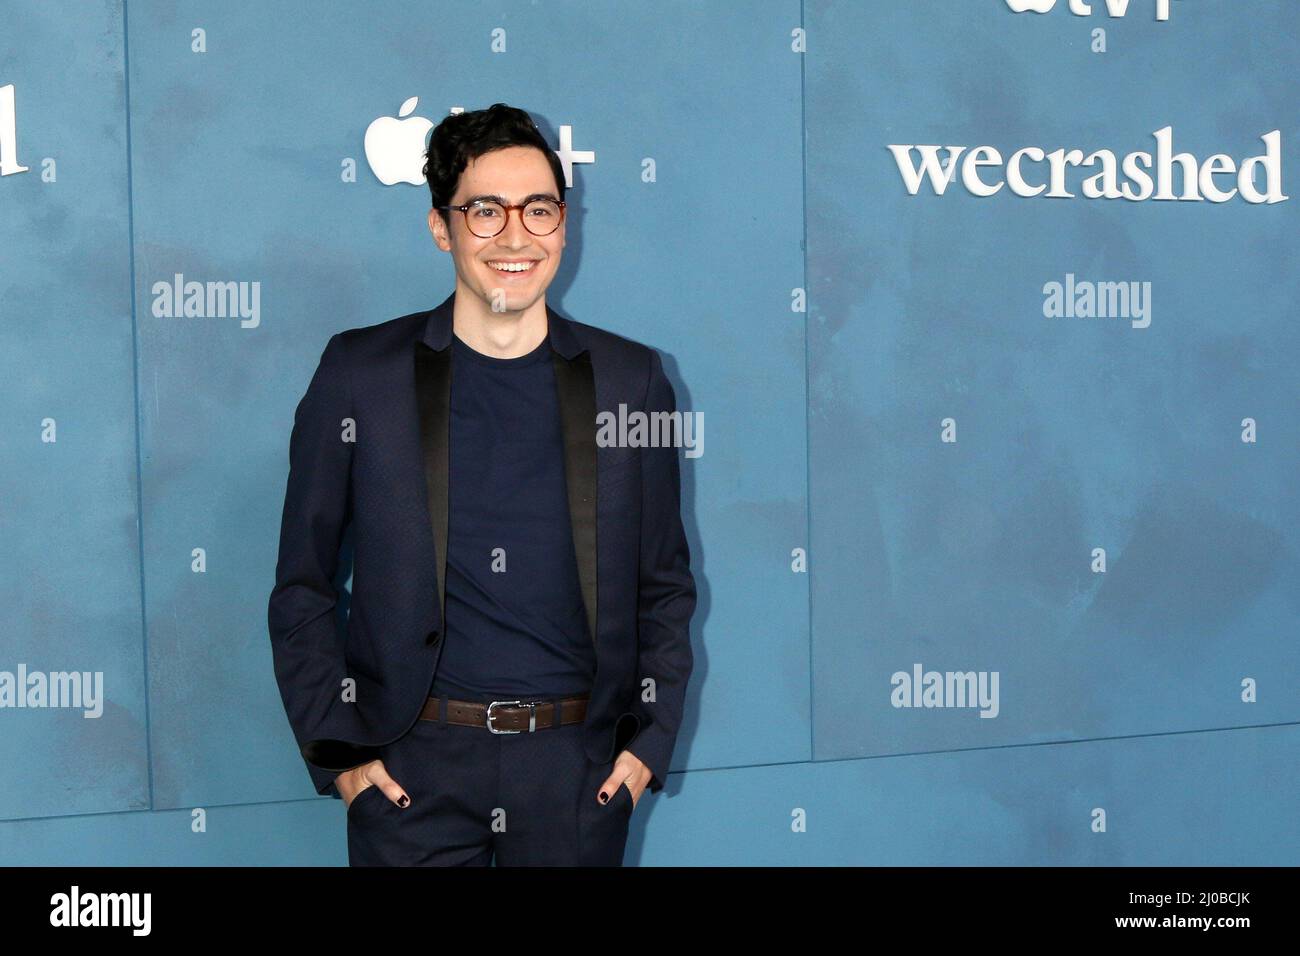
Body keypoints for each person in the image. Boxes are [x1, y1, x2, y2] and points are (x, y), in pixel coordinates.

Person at [267, 102, 696, 865]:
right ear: (442, 227)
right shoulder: (361, 375)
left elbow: (664, 584)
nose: (515, 237)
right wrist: (342, 757)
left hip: (576, 778)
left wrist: (646, 749)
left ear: (564, 224)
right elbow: (302, 585)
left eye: (538, 210)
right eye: (485, 211)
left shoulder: (631, 381)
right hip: (412, 776)